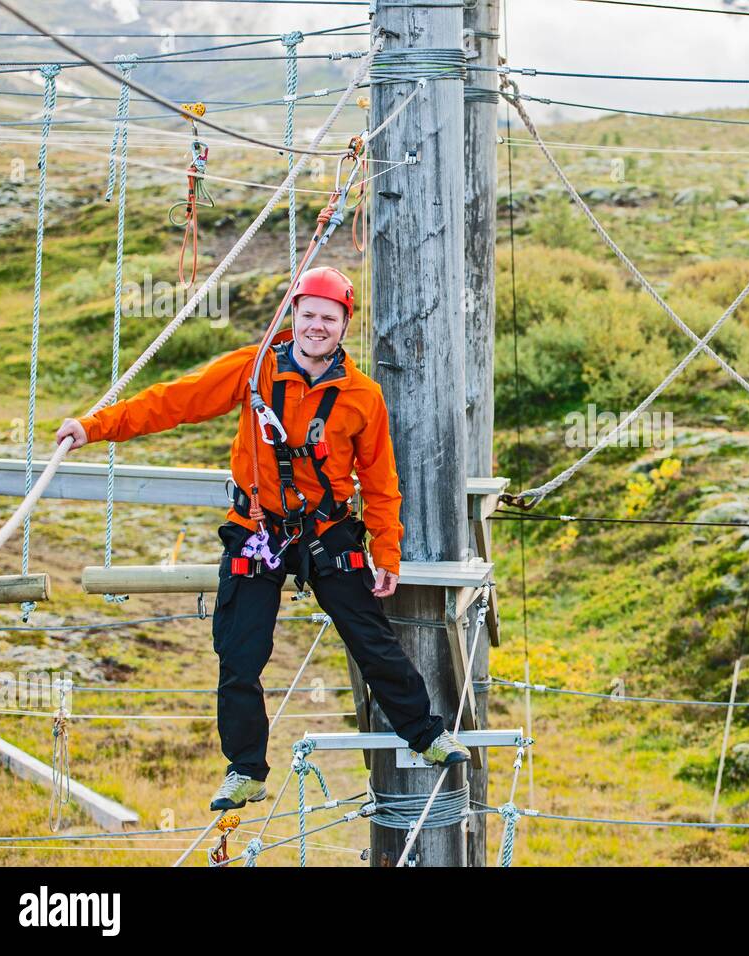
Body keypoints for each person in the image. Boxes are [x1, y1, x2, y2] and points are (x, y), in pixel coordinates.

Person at [56, 266, 470, 810]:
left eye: (329, 317)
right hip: (259, 531)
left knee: (371, 639)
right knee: (240, 652)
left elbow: (380, 481)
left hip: (327, 531)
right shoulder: (254, 372)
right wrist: (94, 427)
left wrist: (385, 552)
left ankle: (425, 733)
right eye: (308, 315)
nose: (316, 326)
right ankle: (246, 769)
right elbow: (173, 402)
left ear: (345, 324)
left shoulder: (361, 397)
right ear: (292, 315)